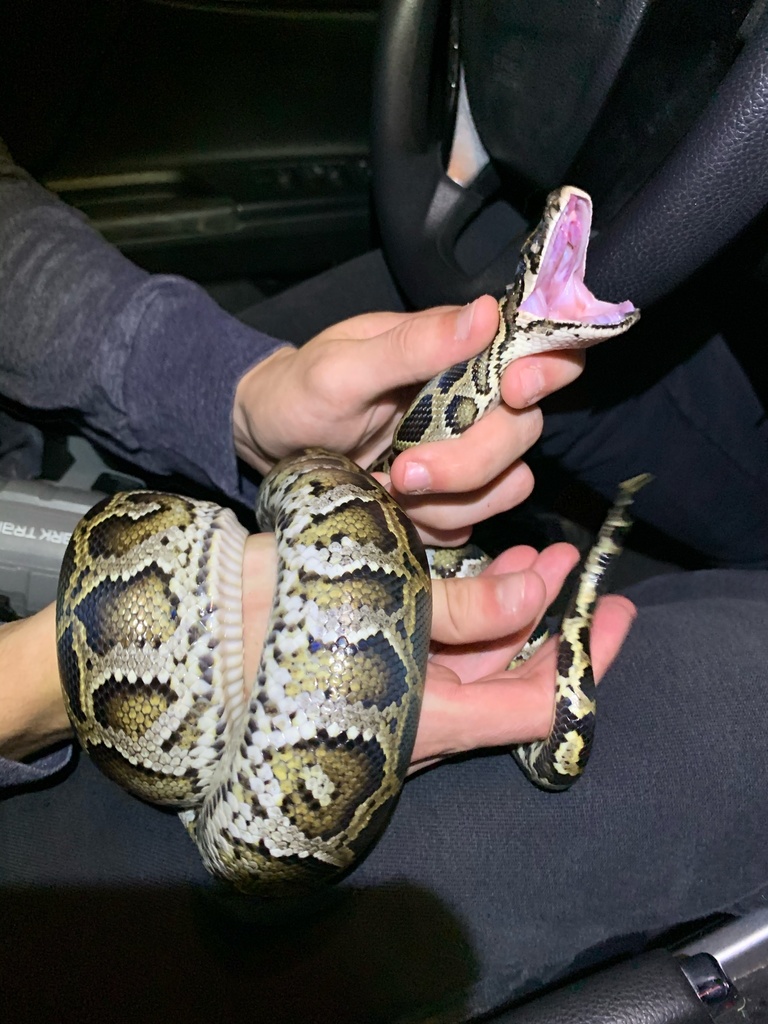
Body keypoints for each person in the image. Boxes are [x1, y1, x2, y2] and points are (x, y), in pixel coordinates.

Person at [2, 140, 768, 1024]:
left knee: (551, 360)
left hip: (59, 504)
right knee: (737, 700)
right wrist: (41, 679)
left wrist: (239, 392)